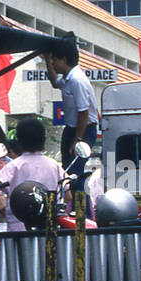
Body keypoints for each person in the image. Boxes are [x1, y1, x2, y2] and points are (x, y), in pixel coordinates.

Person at [43, 40, 99, 192]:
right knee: (67, 172)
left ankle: (81, 213)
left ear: (64, 60)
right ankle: (69, 209)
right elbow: (55, 82)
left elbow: (83, 112)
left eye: (55, 59)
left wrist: (78, 139)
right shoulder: (67, 77)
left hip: (83, 130)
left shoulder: (77, 80)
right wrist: (47, 60)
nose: (54, 63)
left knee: (76, 175)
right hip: (71, 129)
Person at [0, 118, 62, 231]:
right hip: (48, 226)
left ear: (19, 140)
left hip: (18, 227)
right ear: (43, 139)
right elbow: (68, 194)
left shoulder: (13, 166)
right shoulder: (54, 165)